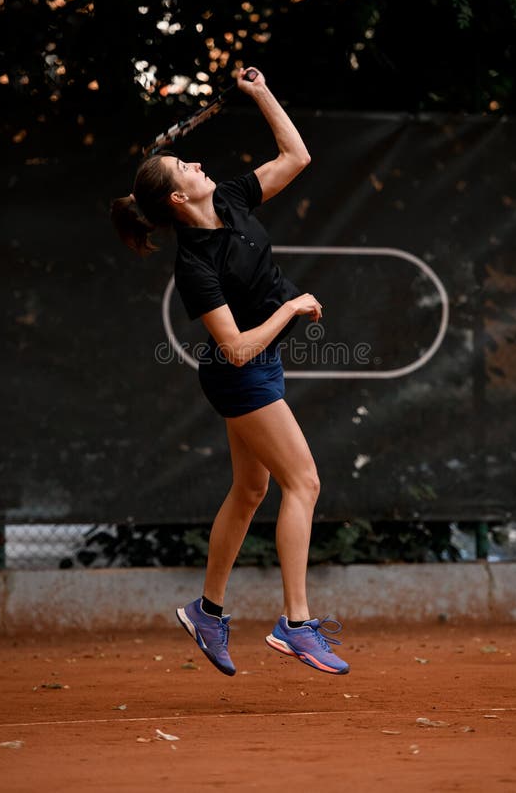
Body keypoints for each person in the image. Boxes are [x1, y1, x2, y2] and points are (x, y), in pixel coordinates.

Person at [110, 67, 349, 676]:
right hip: (240, 374)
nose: (197, 166)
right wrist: (293, 306)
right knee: (304, 484)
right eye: (185, 168)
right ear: (175, 199)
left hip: (256, 366)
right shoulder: (194, 266)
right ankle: (296, 625)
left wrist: (262, 91)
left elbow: (296, 155)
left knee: (250, 491)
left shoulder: (230, 199)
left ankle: (207, 611)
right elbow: (237, 349)